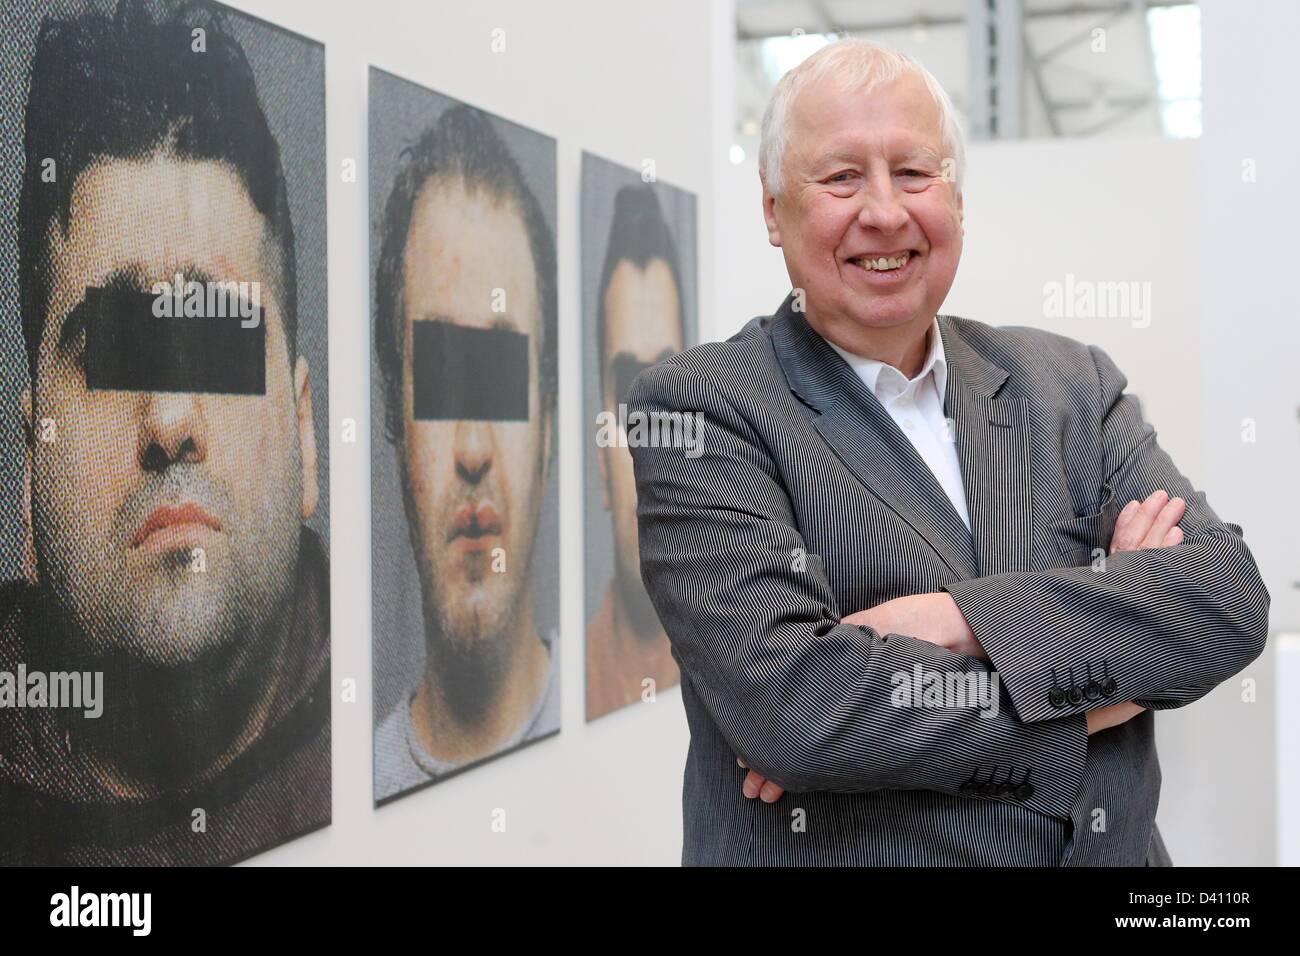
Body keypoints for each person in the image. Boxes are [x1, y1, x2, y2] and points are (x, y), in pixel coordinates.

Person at [626, 38, 1269, 866]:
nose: (886, 212)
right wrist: (1101, 674)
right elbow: (801, 712)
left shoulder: (1069, 383)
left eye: (915, 172)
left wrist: (950, 620)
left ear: (957, 200)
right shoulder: (705, 408)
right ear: (774, 207)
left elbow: (1225, 600)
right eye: (841, 176)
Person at [0, 0, 328, 866]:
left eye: (218, 335)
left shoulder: (377, 739)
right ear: (29, 472)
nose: (171, 422)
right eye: (113, 348)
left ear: (305, 431)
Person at [372, 103, 559, 798]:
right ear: (394, 420)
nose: (475, 449)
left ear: (549, 429)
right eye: (446, 375)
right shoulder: (357, 788)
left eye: (502, 376)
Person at [586, 184, 684, 720]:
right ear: (601, 459)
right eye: (628, 395)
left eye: (668, 394)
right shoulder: (573, 684)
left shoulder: (769, 660)